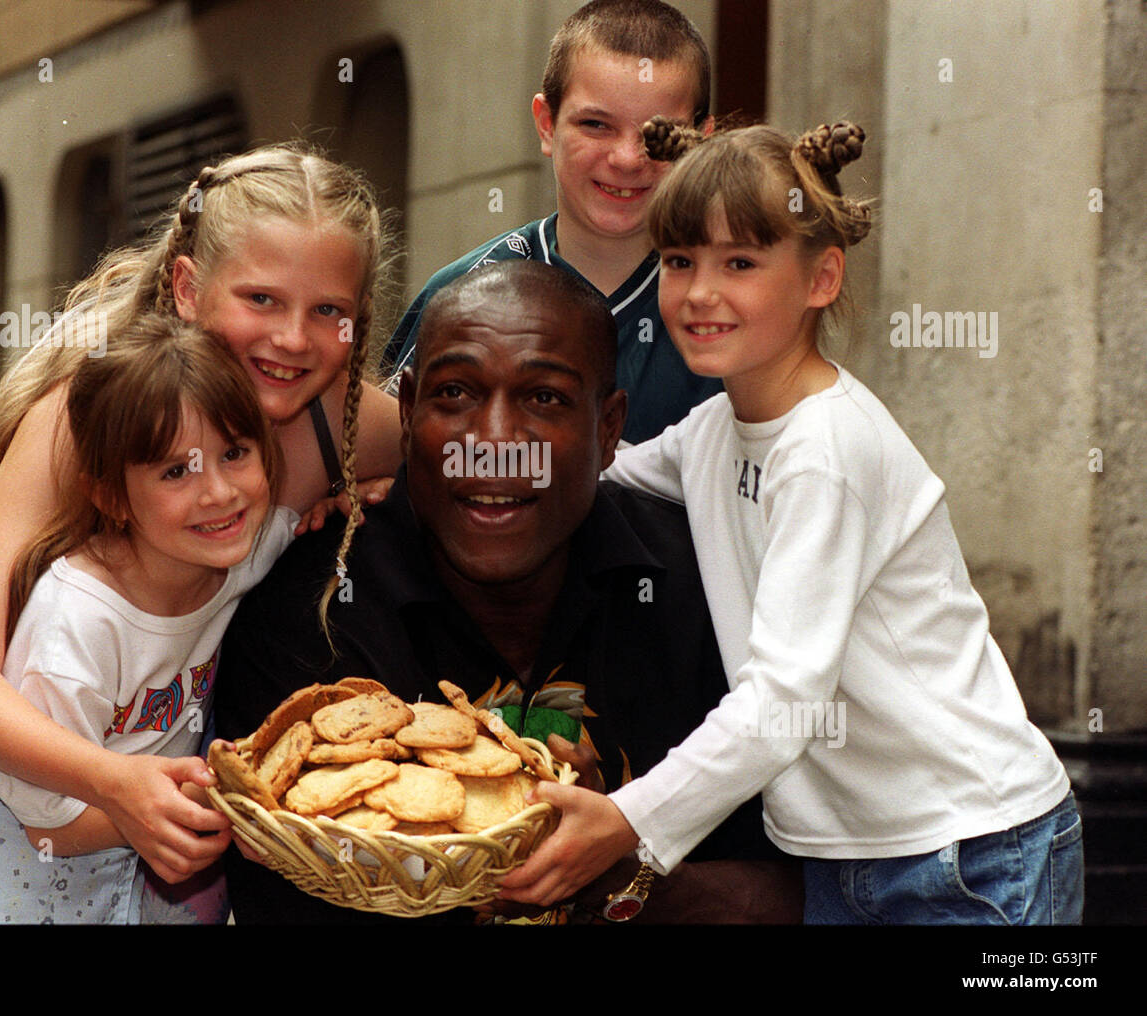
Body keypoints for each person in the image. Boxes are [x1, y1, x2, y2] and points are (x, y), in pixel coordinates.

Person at [500, 119, 1083, 925]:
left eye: (740, 261)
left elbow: (782, 701)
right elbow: (597, 473)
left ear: (821, 278)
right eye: (679, 261)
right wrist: (424, 465)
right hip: (842, 859)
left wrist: (632, 819)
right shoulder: (716, 428)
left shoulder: (824, 448)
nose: (701, 290)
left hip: (970, 852)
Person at [214, 261, 801, 924]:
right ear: (406, 413)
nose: (493, 444)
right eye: (456, 394)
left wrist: (626, 864)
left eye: (545, 398)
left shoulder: (707, 584)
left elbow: (808, 891)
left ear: (609, 428)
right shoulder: (312, 615)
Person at [0, 143, 401, 888]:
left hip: (168, 820)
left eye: (328, 311)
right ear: (187, 288)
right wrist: (111, 781)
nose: (293, 338)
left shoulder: (336, 421)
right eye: (261, 299)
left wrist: (382, 491)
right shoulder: (90, 418)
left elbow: (473, 461)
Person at [0, 316, 296, 922]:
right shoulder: (80, 621)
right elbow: (44, 820)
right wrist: (193, 820)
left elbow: (302, 517)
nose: (219, 491)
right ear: (110, 496)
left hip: (84, 866)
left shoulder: (241, 544)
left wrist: (355, 497)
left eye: (235, 453)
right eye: (175, 471)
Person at [382, 0, 723, 445]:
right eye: (596, 125)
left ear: (701, 141)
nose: (625, 159)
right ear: (546, 125)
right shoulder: (465, 290)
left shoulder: (729, 304)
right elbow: (388, 448)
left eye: (656, 133)